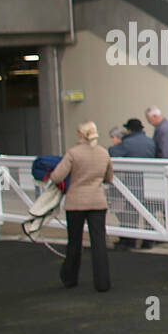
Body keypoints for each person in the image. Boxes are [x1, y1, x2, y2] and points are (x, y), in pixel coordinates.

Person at [51, 121, 112, 292]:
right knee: (99, 242)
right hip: (97, 201)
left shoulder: (73, 153)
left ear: (80, 135)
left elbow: (57, 177)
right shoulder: (103, 153)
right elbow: (109, 177)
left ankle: (70, 278)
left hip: (76, 201)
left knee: (75, 241)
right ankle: (102, 283)